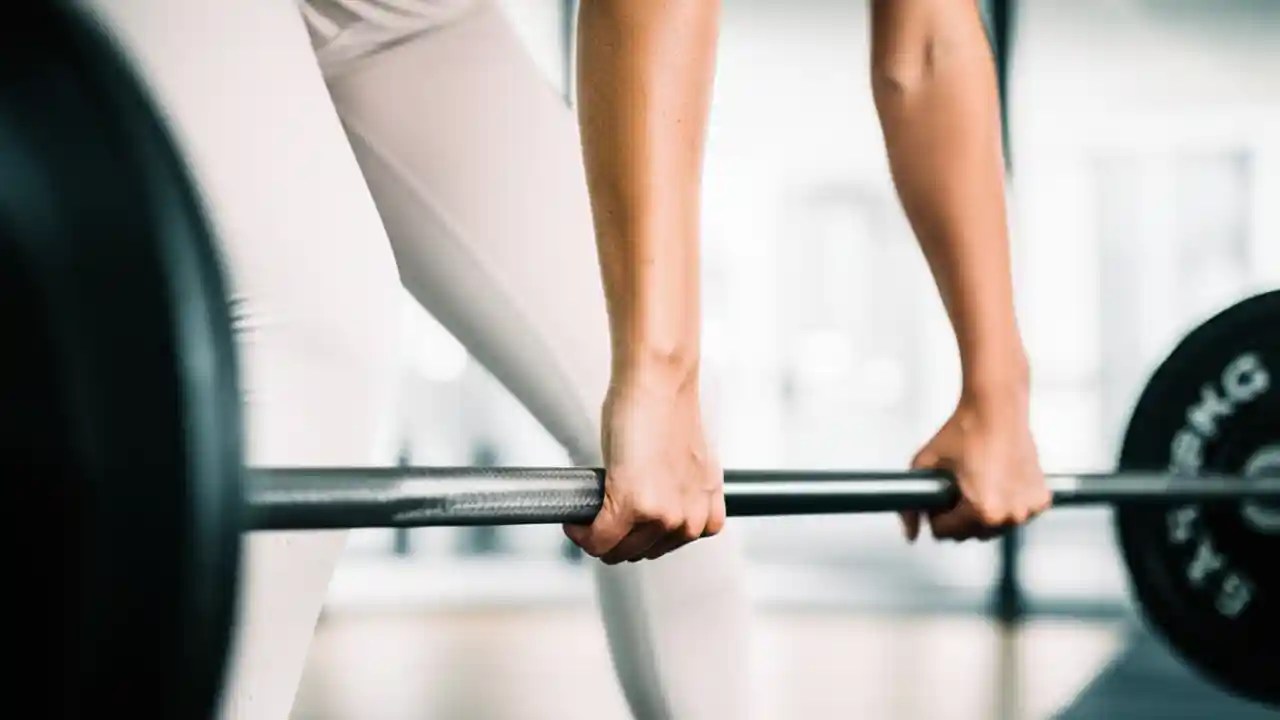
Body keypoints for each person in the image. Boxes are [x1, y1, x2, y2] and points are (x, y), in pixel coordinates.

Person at [83, 0, 1049, 719]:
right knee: (320, 336)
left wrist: (998, 393)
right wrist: (654, 375)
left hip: (416, 17)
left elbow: (927, 44)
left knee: (692, 499)